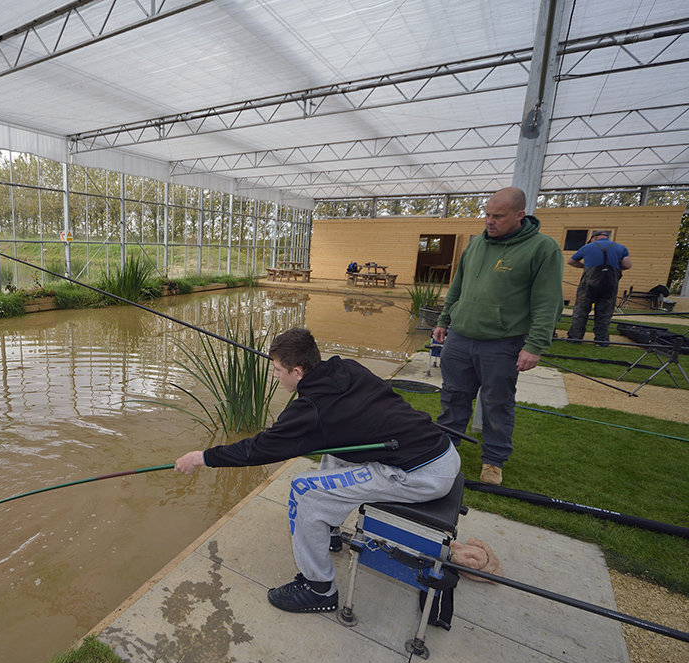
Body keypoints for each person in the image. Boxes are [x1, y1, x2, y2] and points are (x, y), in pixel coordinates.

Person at [174, 328, 460, 614]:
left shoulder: (310, 410)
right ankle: (328, 529)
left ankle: (319, 588)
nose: (274, 375)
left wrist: (201, 457)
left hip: (422, 475)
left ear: (298, 372)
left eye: (277, 369)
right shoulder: (347, 368)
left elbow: (257, 449)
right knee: (334, 450)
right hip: (441, 450)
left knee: (304, 490)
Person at [431, 187, 563, 487]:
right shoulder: (476, 245)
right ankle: (444, 452)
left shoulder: (543, 249)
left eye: (498, 216)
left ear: (520, 215)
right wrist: (444, 320)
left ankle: (493, 460)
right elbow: (457, 287)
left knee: (496, 402)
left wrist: (535, 345)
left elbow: (548, 302)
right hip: (460, 337)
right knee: (453, 396)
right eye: (487, 214)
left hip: (502, 342)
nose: (490, 221)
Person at [566, 231, 631, 345]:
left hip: (589, 283)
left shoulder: (587, 247)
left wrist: (585, 266)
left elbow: (571, 261)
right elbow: (627, 265)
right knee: (604, 312)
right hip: (610, 284)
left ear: (594, 237)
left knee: (581, 310)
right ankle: (601, 340)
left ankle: (575, 338)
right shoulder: (621, 248)